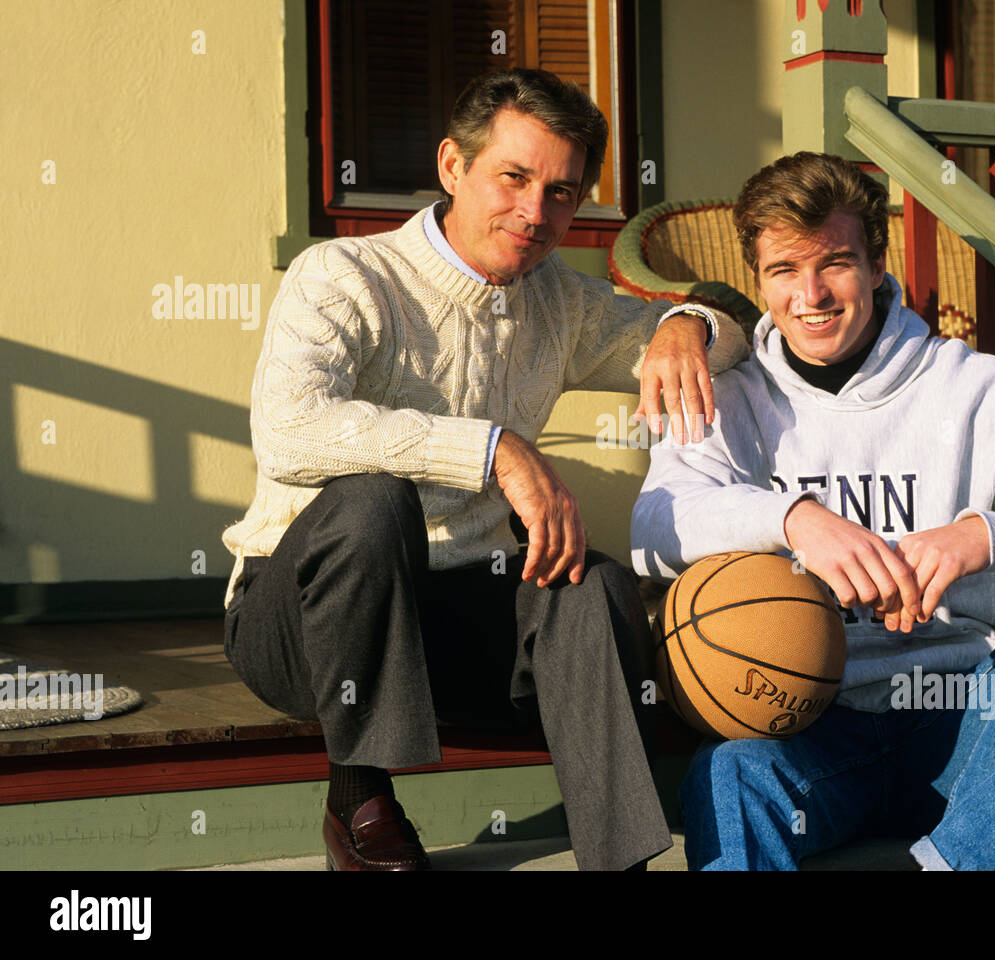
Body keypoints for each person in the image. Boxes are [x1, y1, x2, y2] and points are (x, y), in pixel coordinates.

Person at [220, 68, 747, 871]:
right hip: (298, 625)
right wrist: (492, 448)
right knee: (370, 504)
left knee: (592, 585)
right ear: (452, 167)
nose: (537, 213)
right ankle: (355, 795)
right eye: (514, 177)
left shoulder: (559, 302)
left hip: (455, 632)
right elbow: (289, 431)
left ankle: (621, 856)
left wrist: (685, 323)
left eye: (564, 193)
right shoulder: (342, 274)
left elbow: (733, 339)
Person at [629, 151, 995, 871]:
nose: (811, 294)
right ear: (758, 281)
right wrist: (795, 520)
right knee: (730, 775)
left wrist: (986, 536)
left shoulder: (978, 389)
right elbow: (656, 526)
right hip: (813, 727)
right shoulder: (731, 397)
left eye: (836, 264)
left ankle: (954, 862)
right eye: (784, 271)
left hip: (971, 722)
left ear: (877, 264)